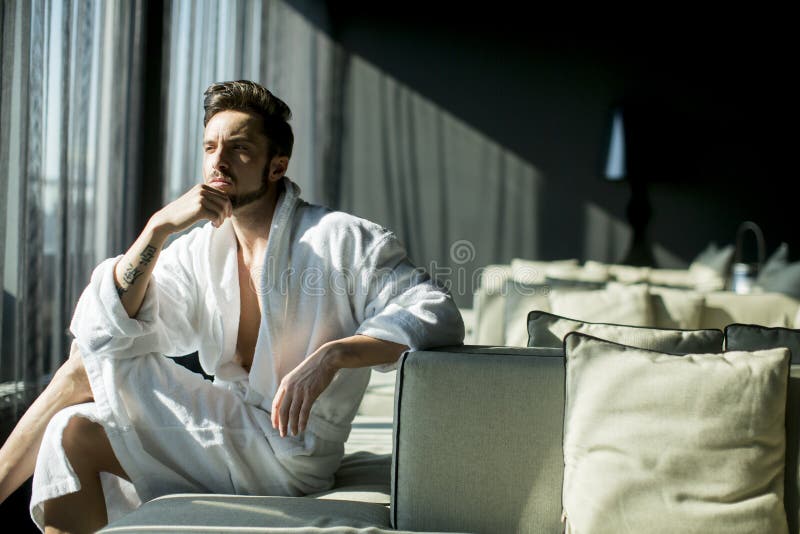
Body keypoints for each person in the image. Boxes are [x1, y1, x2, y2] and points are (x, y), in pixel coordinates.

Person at [0, 80, 464, 533]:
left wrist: (335, 354)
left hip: (294, 452)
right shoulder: (202, 249)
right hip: (233, 430)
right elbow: (106, 326)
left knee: (87, 367)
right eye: (210, 147)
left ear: (276, 166)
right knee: (71, 431)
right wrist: (158, 228)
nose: (218, 162)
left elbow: (435, 312)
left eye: (239, 148)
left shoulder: (339, 239)